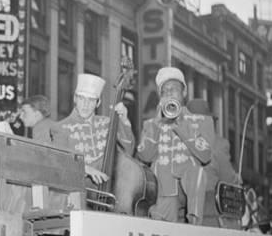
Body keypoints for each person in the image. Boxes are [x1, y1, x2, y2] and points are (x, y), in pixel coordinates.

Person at [136, 67, 214, 224]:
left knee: (196, 172)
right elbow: (145, 156)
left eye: (174, 90)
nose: (169, 94)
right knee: (164, 226)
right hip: (164, 190)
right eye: (164, 92)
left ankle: (194, 225)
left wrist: (182, 125)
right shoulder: (150, 124)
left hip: (191, 188)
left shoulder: (201, 121)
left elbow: (206, 155)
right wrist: (157, 124)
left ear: (184, 93)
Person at [52, 73, 134, 185]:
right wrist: (86, 169)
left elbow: (128, 151)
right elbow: (59, 160)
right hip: (78, 191)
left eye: (91, 100)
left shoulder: (107, 122)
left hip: (110, 189)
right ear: (75, 98)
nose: (85, 105)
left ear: (98, 103)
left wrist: (124, 121)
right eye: (82, 98)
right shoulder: (60, 127)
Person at [185, 98, 238, 227]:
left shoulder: (176, 140)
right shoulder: (218, 144)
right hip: (206, 217)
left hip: (177, 215)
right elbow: (228, 180)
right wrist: (237, 178)